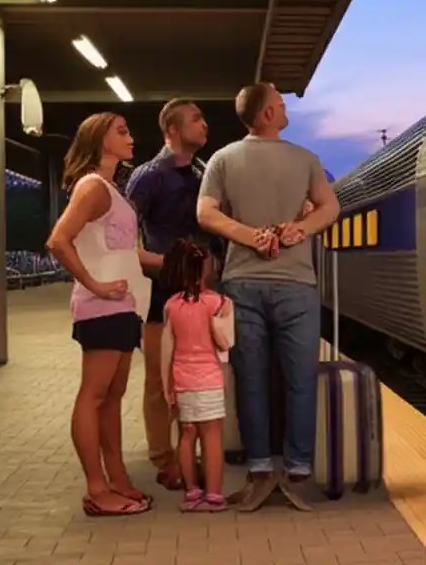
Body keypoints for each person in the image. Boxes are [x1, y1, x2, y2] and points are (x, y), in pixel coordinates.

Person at [197, 82, 339, 510]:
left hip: (242, 282)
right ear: (266, 115)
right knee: (300, 381)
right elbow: (331, 208)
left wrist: (248, 236)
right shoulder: (306, 159)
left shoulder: (223, 159)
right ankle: (298, 473)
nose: (284, 106)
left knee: (251, 381)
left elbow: (205, 213)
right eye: (279, 102)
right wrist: (301, 230)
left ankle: (259, 471)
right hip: (297, 284)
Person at [46, 112, 164, 516]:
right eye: (122, 132)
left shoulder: (110, 189)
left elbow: (124, 250)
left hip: (123, 305)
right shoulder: (93, 187)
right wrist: (95, 285)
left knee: (112, 397)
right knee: (94, 395)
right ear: (100, 140)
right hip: (103, 307)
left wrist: (173, 262)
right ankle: (97, 490)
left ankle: (118, 480)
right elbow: (58, 240)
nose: (131, 138)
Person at [124, 98, 210, 491]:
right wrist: (163, 264)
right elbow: (122, 238)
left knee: (195, 381)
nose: (204, 124)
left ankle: (191, 453)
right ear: (173, 130)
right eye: (196, 119)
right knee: (160, 382)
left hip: (200, 296)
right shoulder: (148, 176)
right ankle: (164, 458)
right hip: (159, 298)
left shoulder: (203, 174)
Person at [159, 238, 233, 512]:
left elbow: (166, 350)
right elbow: (226, 344)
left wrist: (167, 386)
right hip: (210, 378)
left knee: (187, 433)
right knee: (212, 435)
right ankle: (214, 495)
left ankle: (191, 493)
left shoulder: (171, 306)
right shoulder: (220, 303)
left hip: (183, 380)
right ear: (207, 269)